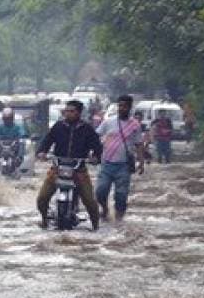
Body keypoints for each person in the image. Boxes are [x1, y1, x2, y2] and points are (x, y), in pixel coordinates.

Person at [36, 99, 102, 230]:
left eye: (71, 111)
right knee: (42, 198)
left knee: (90, 201)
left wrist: (96, 157)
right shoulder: (58, 126)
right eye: (66, 111)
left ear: (79, 113)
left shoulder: (87, 129)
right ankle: (44, 219)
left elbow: (97, 146)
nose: (68, 114)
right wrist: (41, 152)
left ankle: (96, 226)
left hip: (79, 170)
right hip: (57, 168)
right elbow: (47, 141)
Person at [95, 94, 146, 221]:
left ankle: (119, 220)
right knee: (100, 191)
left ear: (129, 107)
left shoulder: (135, 125)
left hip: (124, 165)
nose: (121, 108)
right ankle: (105, 209)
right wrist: (93, 152)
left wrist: (141, 162)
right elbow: (96, 136)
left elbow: (139, 144)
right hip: (106, 163)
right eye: (120, 106)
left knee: (121, 196)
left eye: (124, 106)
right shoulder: (108, 122)